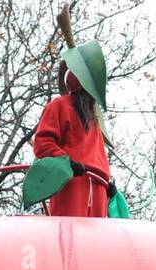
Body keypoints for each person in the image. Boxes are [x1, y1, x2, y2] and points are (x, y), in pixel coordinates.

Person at [32, 37, 114, 216]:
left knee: (97, 242)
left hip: (98, 186)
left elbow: (95, 154)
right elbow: (42, 144)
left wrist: (108, 182)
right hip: (72, 182)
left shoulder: (94, 118)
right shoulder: (59, 106)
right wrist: (66, 163)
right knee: (69, 236)